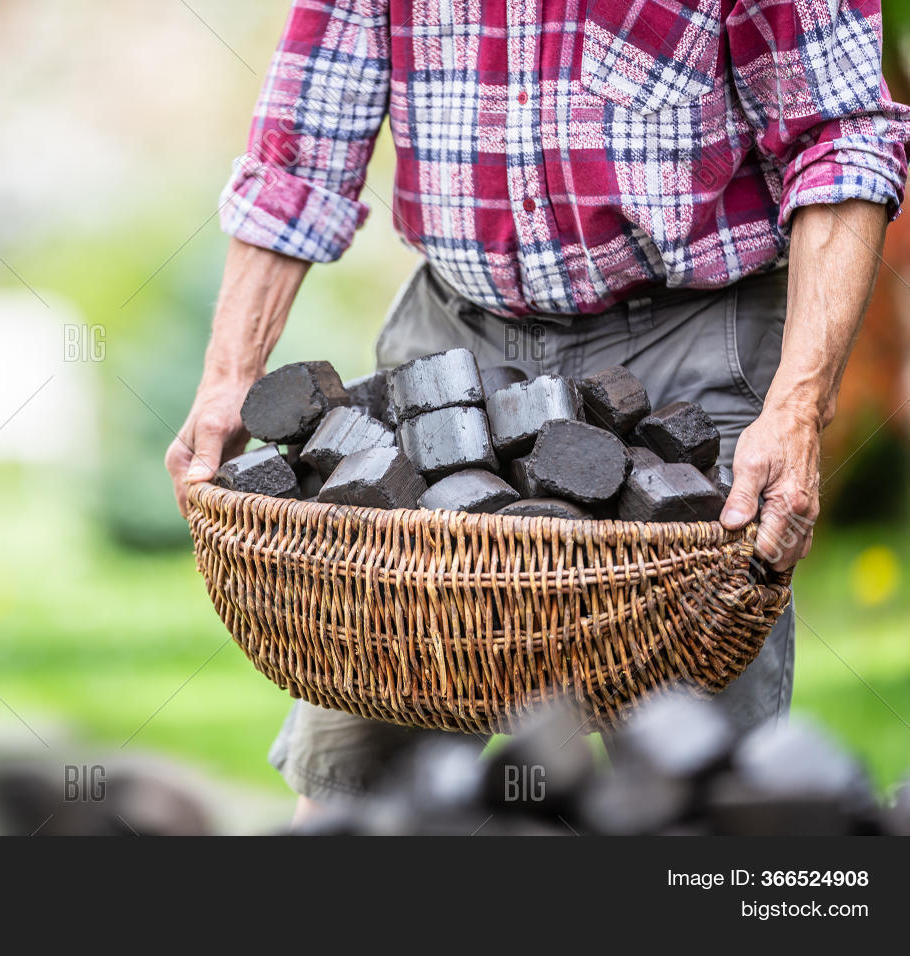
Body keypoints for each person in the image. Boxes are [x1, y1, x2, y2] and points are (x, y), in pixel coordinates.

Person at [164, 0, 910, 823]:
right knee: (362, 765)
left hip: (689, 332)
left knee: (697, 769)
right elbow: (302, 146)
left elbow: (839, 141)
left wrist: (798, 404)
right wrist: (231, 373)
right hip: (458, 336)